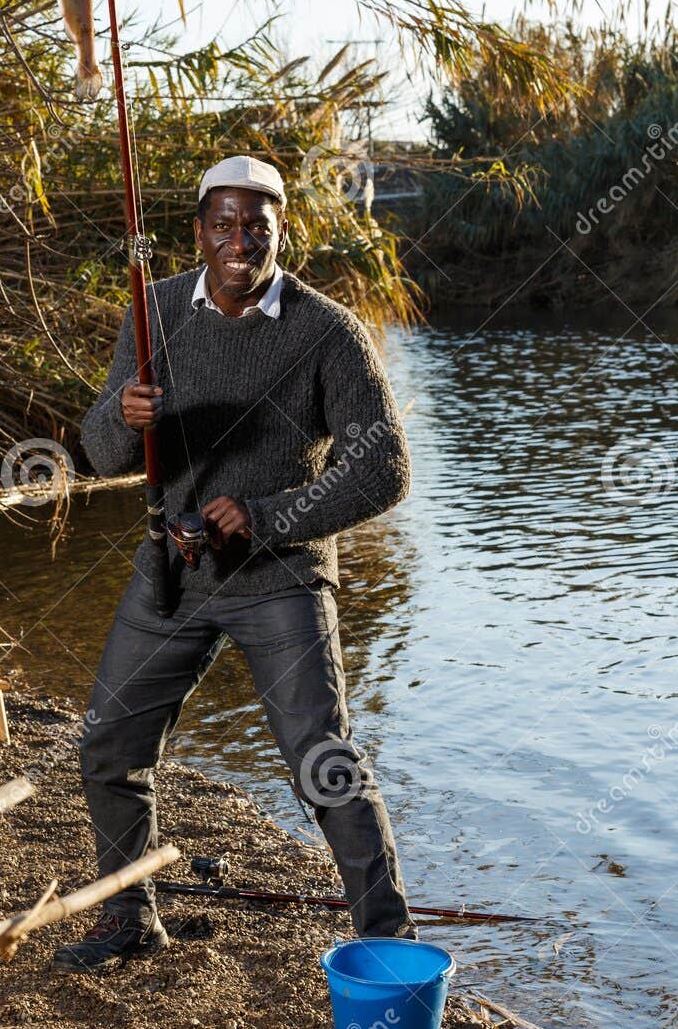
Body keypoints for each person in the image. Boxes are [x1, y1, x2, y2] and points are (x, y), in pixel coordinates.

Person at [52, 154, 414, 973]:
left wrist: (268, 515)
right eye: (223, 225)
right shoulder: (153, 310)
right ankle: (129, 918)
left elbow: (383, 469)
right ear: (199, 232)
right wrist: (122, 416)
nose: (239, 241)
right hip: (172, 573)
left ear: (281, 231)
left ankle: (388, 951)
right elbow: (102, 453)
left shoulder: (326, 331)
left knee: (323, 764)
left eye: (256, 226)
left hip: (279, 577)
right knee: (108, 748)